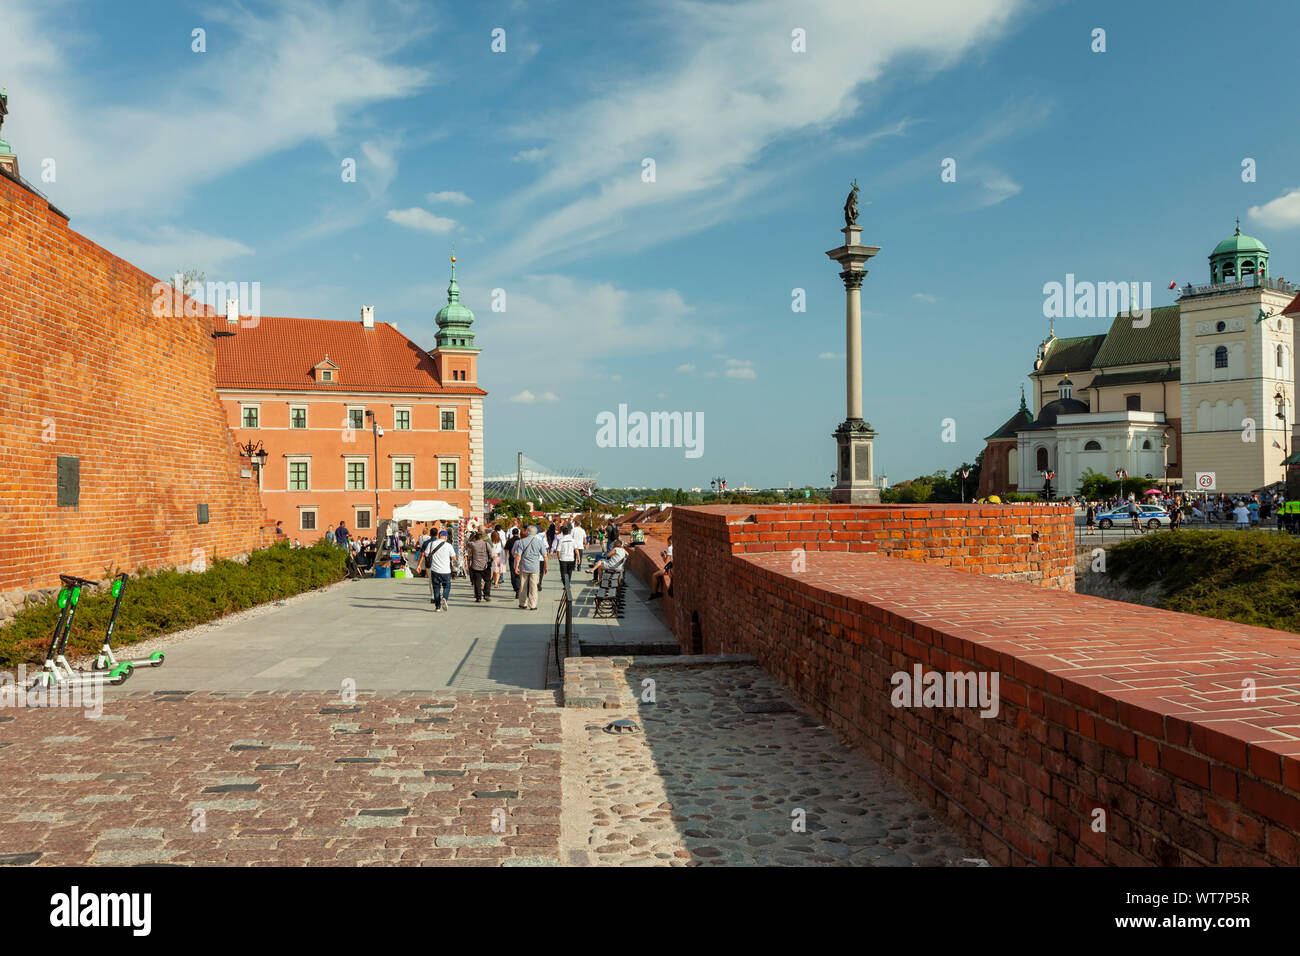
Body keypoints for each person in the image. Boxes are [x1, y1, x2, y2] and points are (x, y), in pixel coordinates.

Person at [514, 525, 549, 610]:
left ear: (527, 532)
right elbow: (545, 556)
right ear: (536, 532)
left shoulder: (522, 541)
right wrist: (546, 567)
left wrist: (516, 566)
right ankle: (533, 605)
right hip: (535, 567)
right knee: (533, 587)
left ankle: (523, 603)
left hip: (524, 566)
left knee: (523, 585)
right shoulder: (539, 542)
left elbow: (518, 556)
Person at [467, 530, 493, 603]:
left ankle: (478, 597)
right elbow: (491, 554)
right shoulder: (486, 544)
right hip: (485, 566)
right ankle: (486, 594)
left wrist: (472, 537)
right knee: (487, 581)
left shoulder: (473, 544)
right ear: (482, 538)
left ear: (475, 538)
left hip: (475, 566)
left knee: (477, 582)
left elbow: (467, 543)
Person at [554, 523, 577, 595]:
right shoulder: (572, 540)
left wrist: (559, 558)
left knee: (563, 573)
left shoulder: (561, 540)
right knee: (569, 572)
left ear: (562, 532)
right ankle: (568, 583)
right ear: (569, 532)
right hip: (571, 558)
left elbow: (558, 551)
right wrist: (579, 557)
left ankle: (565, 585)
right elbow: (576, 549)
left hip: (563, 558)